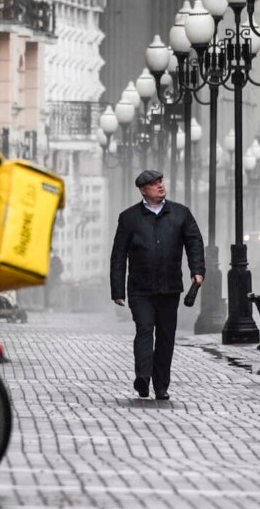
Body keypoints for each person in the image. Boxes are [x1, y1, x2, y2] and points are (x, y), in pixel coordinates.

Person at [110, 170, 204, 400]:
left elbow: (194, 242)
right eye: (153, 184)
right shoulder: (129, 218)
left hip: (170, 288)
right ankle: (143, 378)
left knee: (165, 336)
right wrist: (117, 290)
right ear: (143, 190)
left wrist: (197, 270)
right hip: (140, 289)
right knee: (144, 329)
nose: (160, 186)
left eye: (161, 181)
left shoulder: (180, 213)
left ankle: (161, 385)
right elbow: (119, 255)